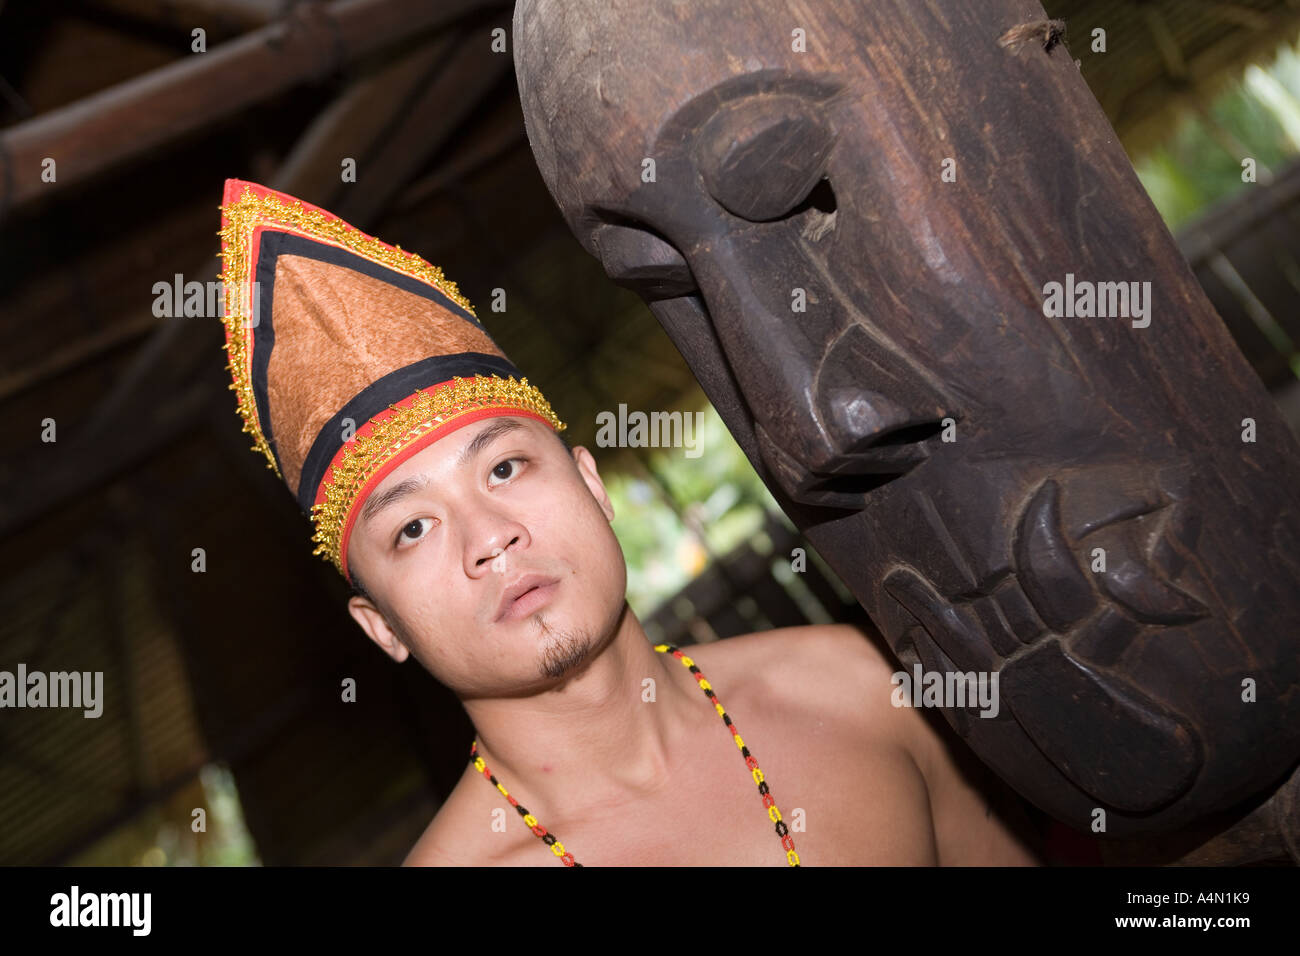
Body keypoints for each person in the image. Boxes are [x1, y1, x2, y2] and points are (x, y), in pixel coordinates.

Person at [219, 178, 1043, 866]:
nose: (489, 538)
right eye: (412, 528)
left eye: (503, 468)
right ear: (381, 628)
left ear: (591, 484)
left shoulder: (861, 688)